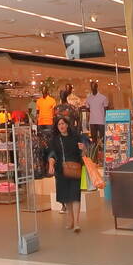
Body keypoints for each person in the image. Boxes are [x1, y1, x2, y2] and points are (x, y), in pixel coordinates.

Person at [47, 100, 88, 232]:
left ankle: (76, 222)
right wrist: (51, 164)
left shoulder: (76, 137)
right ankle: (70, 219)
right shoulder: (55, 140)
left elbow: (83, 153)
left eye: (63, 123)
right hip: (61, 171)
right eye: (59, 124)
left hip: (75, 169)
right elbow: (52, 154)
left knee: (75, 196)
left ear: (67, 124)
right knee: (67, 197)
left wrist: (83, 149)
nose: (61, 126)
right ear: (57, 126)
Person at [85, 81, 109, 146]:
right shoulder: (88, 98)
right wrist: (87, 122)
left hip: (101, 121)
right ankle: (95, 155)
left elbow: (106, 110)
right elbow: (88, 111)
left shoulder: (103, 98)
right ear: (90, 87)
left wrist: (106, 122)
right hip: (92, 122)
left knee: (103, 139)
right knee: (94, 141)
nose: (93, 88)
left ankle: (104, 153)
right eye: (92, 86)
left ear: (97, 87)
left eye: (94, 86)